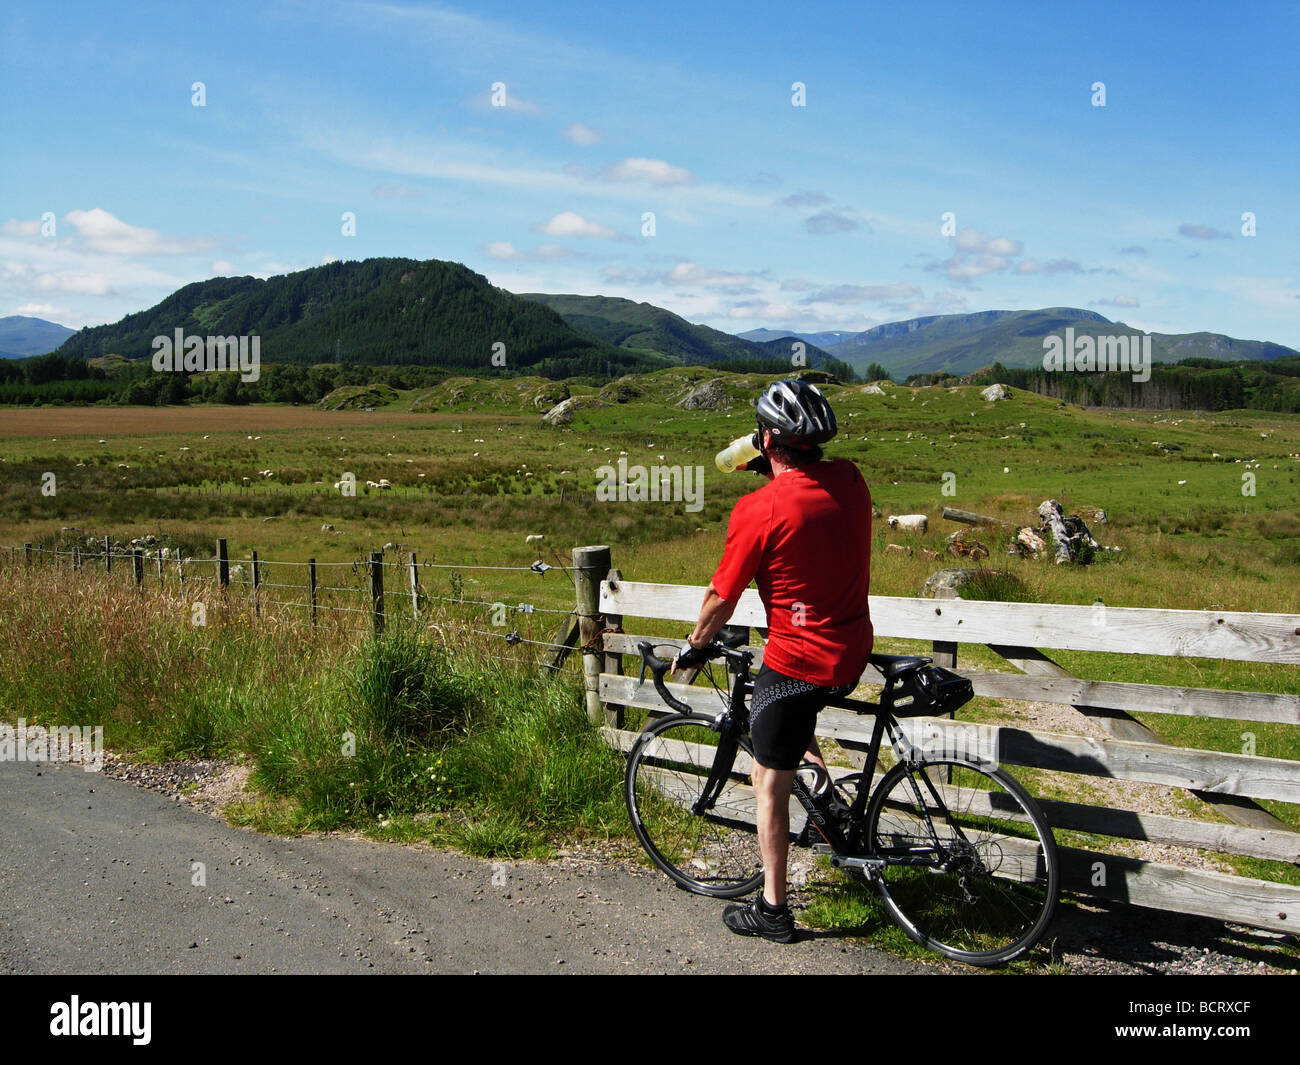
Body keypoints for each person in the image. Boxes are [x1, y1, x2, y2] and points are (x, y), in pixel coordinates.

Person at [672, 379, 873, 942]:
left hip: (800, 660)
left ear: (764, 441)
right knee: (791, 728)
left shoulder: (759, 508)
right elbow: (816, 517)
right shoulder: (853, 480)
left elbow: (722, 596)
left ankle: (774, 910)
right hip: (852, 649)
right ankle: (831, 814)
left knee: (767, 776)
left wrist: (695, 645)